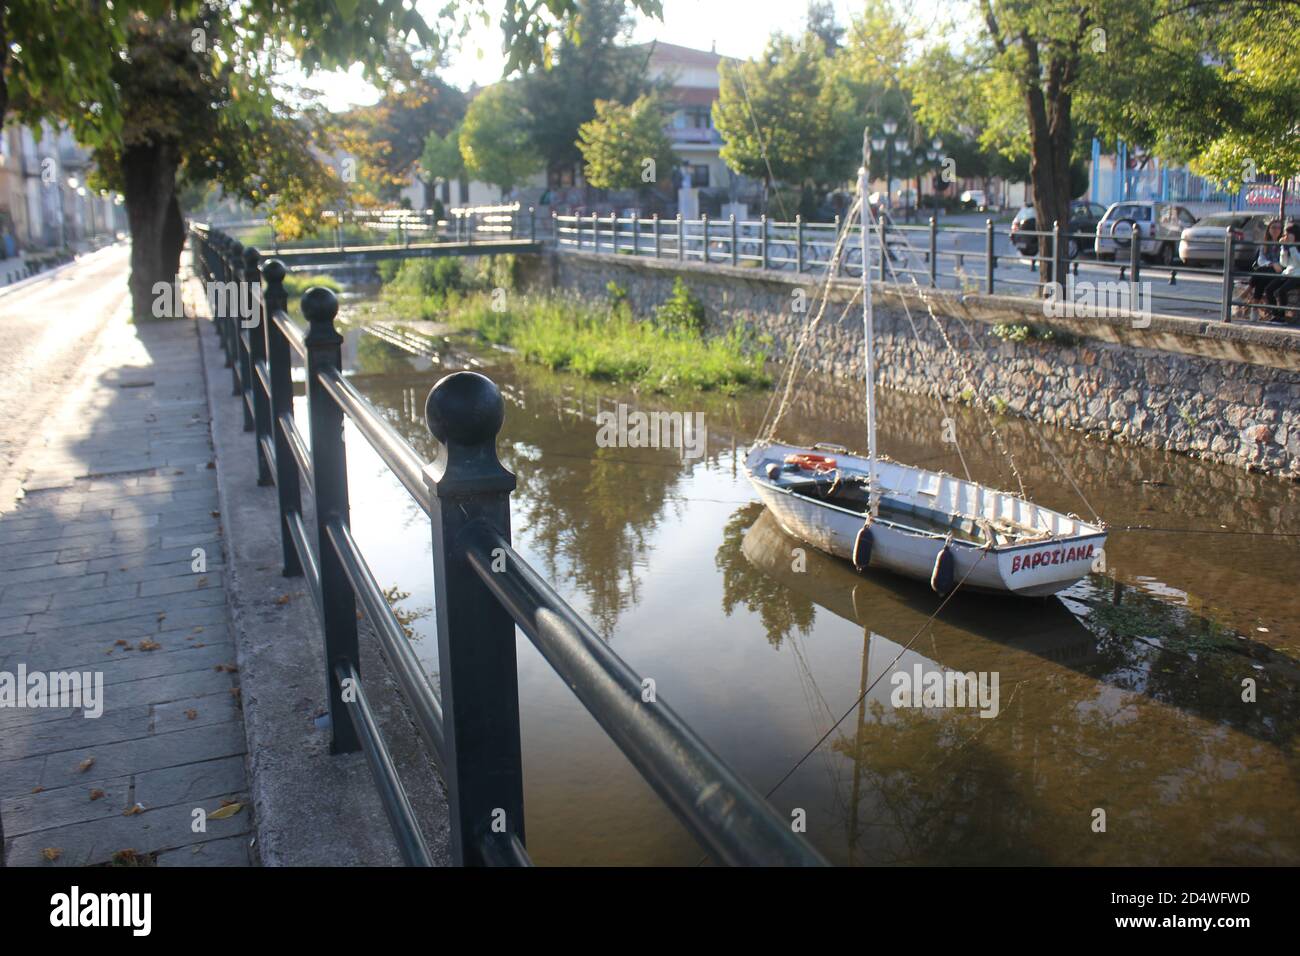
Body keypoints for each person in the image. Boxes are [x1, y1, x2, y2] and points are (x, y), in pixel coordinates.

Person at [1263, 223, 1300, 321]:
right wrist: (1284, 248)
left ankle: (1282, 316)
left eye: (1288, 234)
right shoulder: (1288, 246)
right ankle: (1275, 314)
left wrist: (1292, 247)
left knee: (1281, 291)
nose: (1286, 236)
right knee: (1269, 289)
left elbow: (1298, 261)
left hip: (1298, 274)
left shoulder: (1296, 246)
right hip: (1288, 272)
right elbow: (1283, 263)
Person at [1250, 218, 1284, 304]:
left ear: (1281, 230)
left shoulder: (1283, 243)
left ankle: (1246, 293)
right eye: (1273, 227)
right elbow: (1260, 260)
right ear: (1269, 229)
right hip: (1268, 270)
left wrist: (1276, 265)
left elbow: (1283, 262)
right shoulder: (1265, 243)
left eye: (1278, 228)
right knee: (1262, 280)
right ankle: (1254, 308)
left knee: (1260, 272)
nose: (1275, 230)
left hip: (1279, 271)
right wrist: (1272, 264)